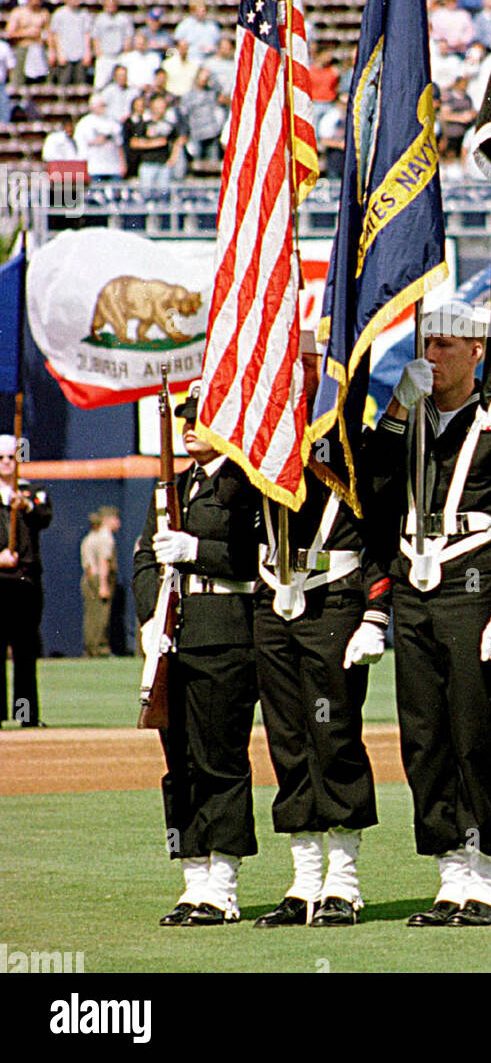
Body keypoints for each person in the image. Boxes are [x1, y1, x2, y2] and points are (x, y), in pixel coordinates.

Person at [369, 301, 491, 926]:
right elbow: (375, 492)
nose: (432, 355)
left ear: (476, 352)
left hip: (472, 583)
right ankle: (449, 872)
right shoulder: (407, 417)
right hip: (414, 583)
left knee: (472, 730)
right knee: (423, 736)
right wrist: (395, 409)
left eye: (445, 345)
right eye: (427, 343)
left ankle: (486, 873)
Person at [252, 338, 385, 928]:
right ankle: (305, 879)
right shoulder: (261, 439)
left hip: (333, 596)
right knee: (287, 740)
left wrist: (376, 614)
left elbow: (384, 528)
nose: (297, 379)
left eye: (307, 367)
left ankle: (343, 881)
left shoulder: (354, 437)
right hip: (273, 595)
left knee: (334, 736)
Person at [132, 383, 259, 926]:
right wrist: (148, 619)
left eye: (200, 417)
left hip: (223, 632)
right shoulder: (173, 487)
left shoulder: (245, 485)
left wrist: (198, 551)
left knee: (219, 761)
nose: (188, 427)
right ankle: (193, 880)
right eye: (184, 418)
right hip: (173, 637)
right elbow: (144, 558)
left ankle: (222, 887)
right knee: (178, 765)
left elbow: (256, 557)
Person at [0, 433, 52, 728]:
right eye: (1, 458)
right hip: (0, 580)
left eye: (12, 457)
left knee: (25, 651)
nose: (7, 463)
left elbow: (45, 516)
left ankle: (26, 715)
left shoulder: (33, 492)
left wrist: (26, 506)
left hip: (26, 582)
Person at [80, 506, 120, 657]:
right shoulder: (105, 537)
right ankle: (100, 648)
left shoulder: (92, 536)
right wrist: (103, 585)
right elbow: (104, 561)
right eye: (115, 518)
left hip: (90, 578)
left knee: (91, 614)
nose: (118, 522)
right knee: (101, 614)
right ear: (107, 520)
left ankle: (91, 647)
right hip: (99, 578)